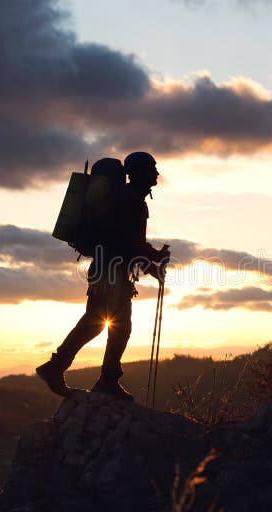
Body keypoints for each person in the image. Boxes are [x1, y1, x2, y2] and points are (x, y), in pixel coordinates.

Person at [36, 151, 169, 401]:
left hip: (106, 269)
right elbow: (128, 244)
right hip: (111, 272)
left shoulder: (128, 200)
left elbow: (128, 243)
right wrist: (154, 261)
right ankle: (105, 380)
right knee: (119, 326)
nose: (156, 174)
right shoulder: (131, 201)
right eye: (152, 169)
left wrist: (152, 261)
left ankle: (56, 367)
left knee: (95, 322)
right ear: (139, 173)